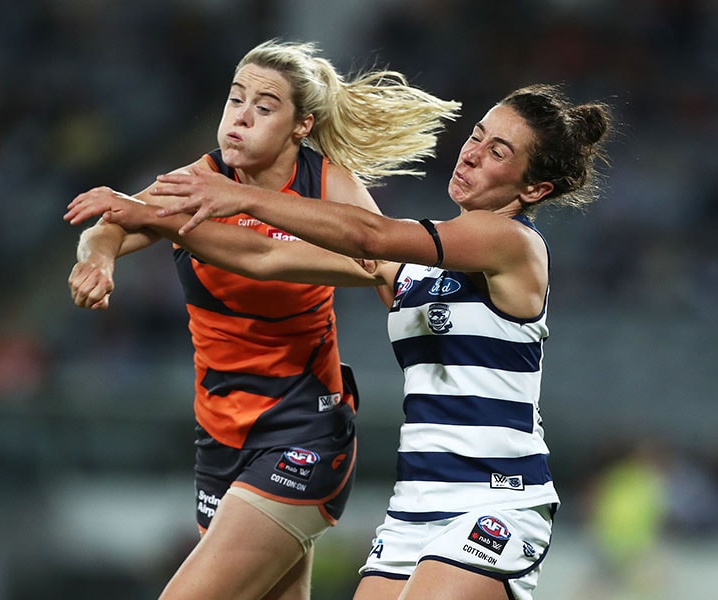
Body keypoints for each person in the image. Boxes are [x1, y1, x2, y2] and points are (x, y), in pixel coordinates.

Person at [75, 83, 613, 600]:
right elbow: (265, 257)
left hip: (494, 497)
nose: (471, 154)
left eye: (497, 150)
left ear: (533, 189)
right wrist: (150, 217)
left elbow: (367, 235)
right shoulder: (416, 266)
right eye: (476, 134)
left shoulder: (512, 244)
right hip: (417, 502)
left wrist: (239, 196)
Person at [64, 39, 460, 600]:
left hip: (304, 430)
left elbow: (378, 266)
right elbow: (110, 223)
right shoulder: (197, 179)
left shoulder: (327, 186)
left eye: (264, 107)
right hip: (221, 438)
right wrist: (99, 261)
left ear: (302, 126)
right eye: (234, 100)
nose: (240, 118)